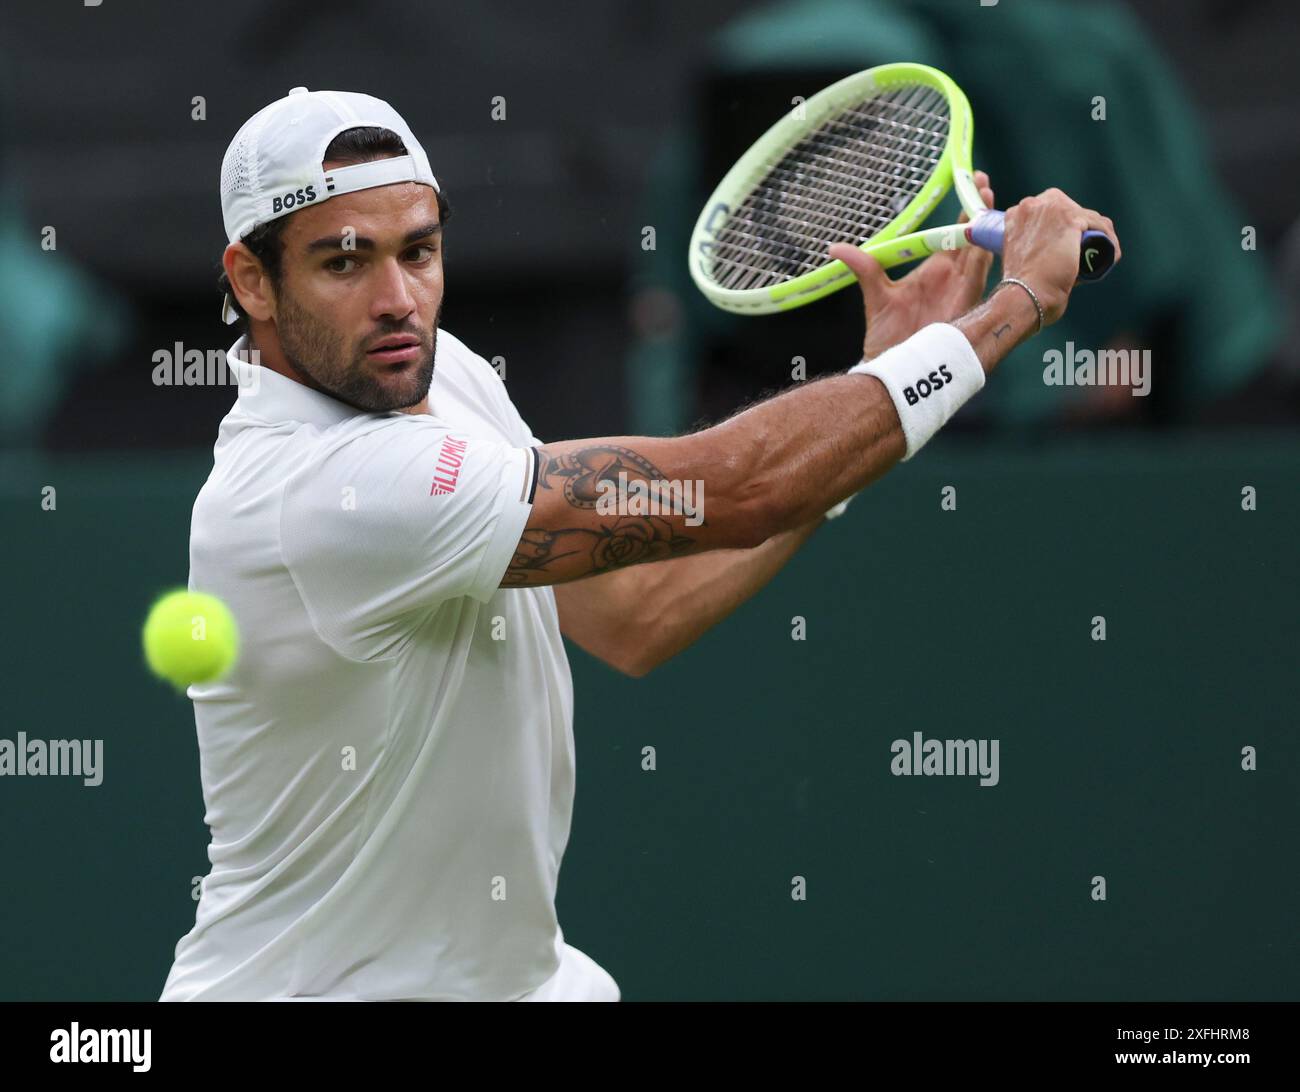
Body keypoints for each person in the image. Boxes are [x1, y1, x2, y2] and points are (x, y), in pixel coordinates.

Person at [160, 87, 1118, 1002]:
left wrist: (878, 386)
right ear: (253, 280)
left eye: (419, 251)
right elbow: (732, 486)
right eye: (344, 262)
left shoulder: (430, 369)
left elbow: (635, 614)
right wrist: (1015, 306)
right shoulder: (326, 492)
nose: (398, 298)